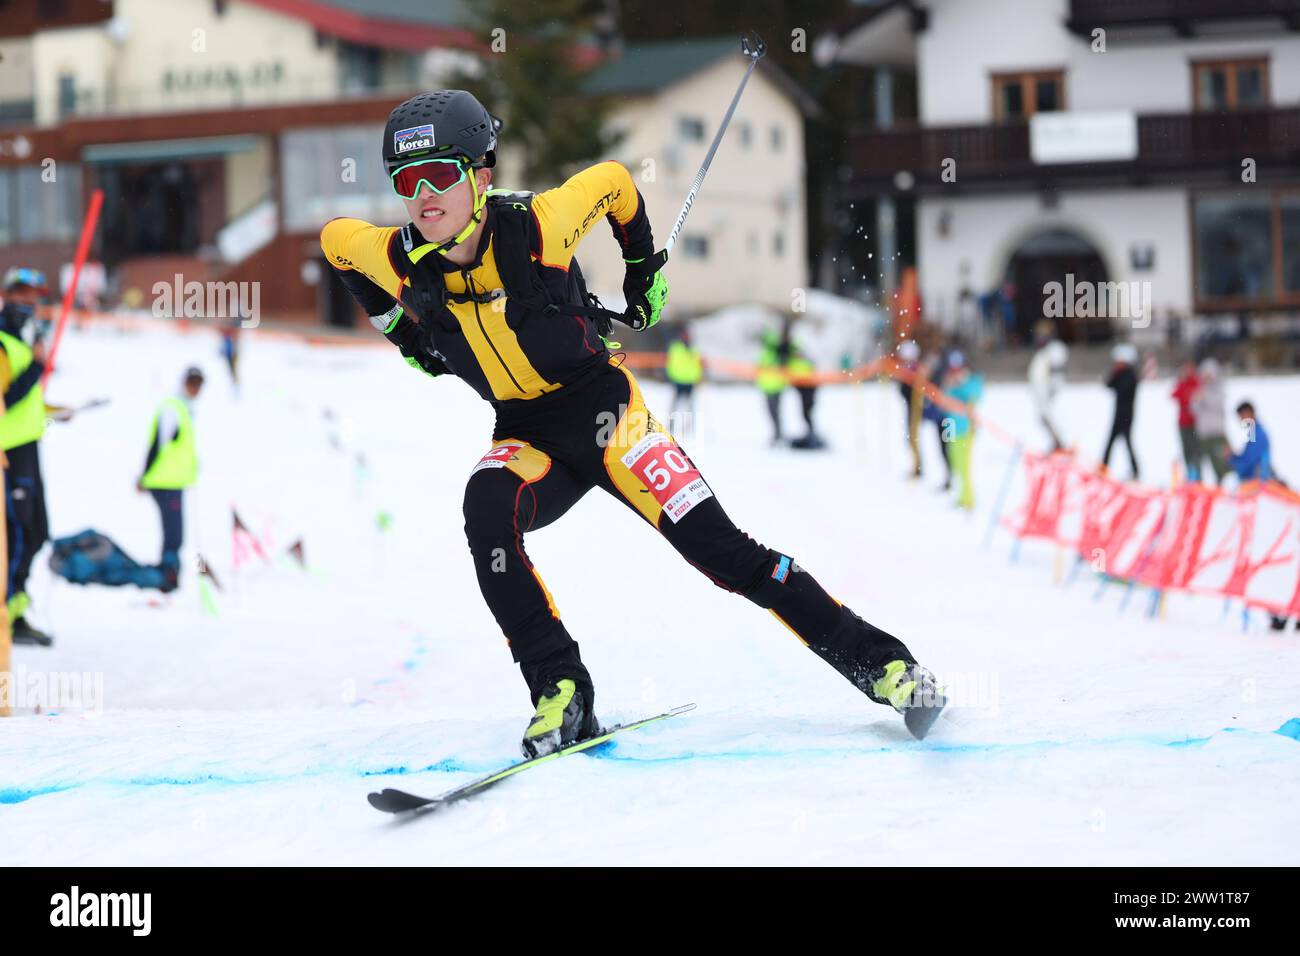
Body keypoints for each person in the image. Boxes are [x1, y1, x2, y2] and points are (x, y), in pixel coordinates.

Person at [320, 89, 945, 755]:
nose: (422, 196)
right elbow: (337, 245)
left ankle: (886, 668)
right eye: (405, 181)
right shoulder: (394, 256)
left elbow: (617, 185)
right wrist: (403, 333)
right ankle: (561, 692)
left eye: (439, 175)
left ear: (481, 175)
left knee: (728, 557)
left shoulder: (540, 228)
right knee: (486, 506)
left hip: (609, 419)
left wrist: (642, 271)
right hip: (527, 436)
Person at [0, 268, 58, 645]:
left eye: (34, 295)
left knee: (38, 532)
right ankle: (7, 613)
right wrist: (37, 365)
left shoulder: (22, 339)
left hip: (28, 445)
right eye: (22, 294)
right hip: (9, 451)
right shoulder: (3, 343)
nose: (30, 302)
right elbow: (2, 400)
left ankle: (17, 606)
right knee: (19, 534)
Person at [137, 367, 205, 591]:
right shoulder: (172, 408)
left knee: (175, 533)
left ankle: (170, 576)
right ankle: (167, 577)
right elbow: (157, 444)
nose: (196, 390)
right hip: (164, 482)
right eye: (193, 384)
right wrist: (144, 475)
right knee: (174, 534)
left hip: (174, 481)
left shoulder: (184, 408)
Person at [940, 351, 983, 510]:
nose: (955, 370)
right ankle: (961, 495)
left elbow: (975, 396)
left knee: (964, 463)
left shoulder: (972, 379)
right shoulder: (948, 379)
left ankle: (968, 498)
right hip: (949, 424)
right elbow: (944, 400)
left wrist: (961, 383)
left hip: (965, 427)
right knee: (954, 460)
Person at [1027, 322, 1068, 452]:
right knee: (1042, 418)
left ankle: (1059, 443)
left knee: (1050, 416)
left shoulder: (1055, 349)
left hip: (1049, 391)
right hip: (1040, 391)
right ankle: (1055, 442)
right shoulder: (1042, 352)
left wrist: (1052, 390)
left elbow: (1057, 372)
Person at [1102, 342, 1140, 480]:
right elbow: (1108, 384)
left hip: (1126, 415)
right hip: (1119, 414)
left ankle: (1135, 470)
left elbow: (1122, 389)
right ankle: (1103, 467)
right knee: (1111, 442)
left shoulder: (1131, 376)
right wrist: (1115, 372)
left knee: (1127, 443)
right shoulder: (1121, 374)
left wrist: (1118, 374)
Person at [1191, 358, 1229, 485]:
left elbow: (1219, 405)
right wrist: (1198, 400)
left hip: (1217, 432)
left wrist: (1206, 398)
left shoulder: (1219, 389)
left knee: (1220, 462)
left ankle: (1223, 482)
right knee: (1198, 460)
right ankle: (1197, 482)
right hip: (1203, 432)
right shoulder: (1200, 389)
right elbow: (1194, 408)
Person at [664, 325, 702, 435]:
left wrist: (698, 377)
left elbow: (697, 365)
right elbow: (671, 363)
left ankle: (689, 428)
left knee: (690, 407)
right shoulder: (676, 348)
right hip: (679, 381)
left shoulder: (694, 349)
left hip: (690, 381)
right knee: (675, 406)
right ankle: (671, 425)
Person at [1224, 401, 1272, 484]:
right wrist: (1233, 456)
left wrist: (1232, 458)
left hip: (1257, 482)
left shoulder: (1258, 434)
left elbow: (1249, 462)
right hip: (1254, 479)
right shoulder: (1254, 432)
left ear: (1249, 413)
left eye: (1242, 416)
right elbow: (1247, 458)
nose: (1241, 420)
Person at [1171, 359, 1201, 482]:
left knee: (1196, 451)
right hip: (1183, 423)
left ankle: (1198, 476)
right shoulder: (1182, 382)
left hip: (1196, 423)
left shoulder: (1197, 382)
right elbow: (1174, 395)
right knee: (1186, 451)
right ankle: (1190, 475)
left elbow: (1195, 399)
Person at [756, 328, 787, 444]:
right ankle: (777, 434)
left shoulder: (776, 354)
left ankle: (778, 434)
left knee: (775, 412)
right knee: (771, 412)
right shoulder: (766, 353)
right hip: (768, 387)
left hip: (775, 387)